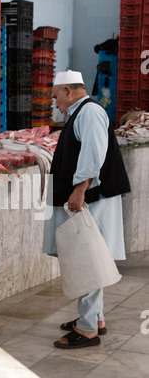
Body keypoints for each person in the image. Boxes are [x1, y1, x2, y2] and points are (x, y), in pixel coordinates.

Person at [43, 70, 131, 349]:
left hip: (92, 198)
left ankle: (88, 328)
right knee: (90, 255)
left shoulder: (89, 112)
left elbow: (94, 153)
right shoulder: (80, 113)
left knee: (88, 259)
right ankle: (96, 318)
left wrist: (80, 189)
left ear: (69, 91)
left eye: (56, 97)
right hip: (88, 196)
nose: (55, 104)